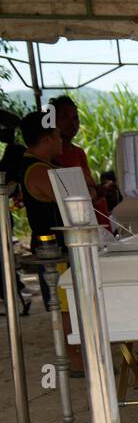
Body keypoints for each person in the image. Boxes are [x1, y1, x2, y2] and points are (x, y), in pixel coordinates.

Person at [14, 112, 64, 307]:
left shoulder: (44, 165)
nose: (61, 141)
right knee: (63, 309)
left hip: (55, 248)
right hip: (52, 249)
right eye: (58, 135)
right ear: (46, 139)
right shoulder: (38, 170)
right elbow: (71, 201)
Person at [51, 96, 109, 231]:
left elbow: (88, 185)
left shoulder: (78, 152)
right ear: (52, 121)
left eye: (75, 118)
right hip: (72, 226)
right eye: (65, 117)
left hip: (91, 221)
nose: (72, 123)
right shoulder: (52, 155)